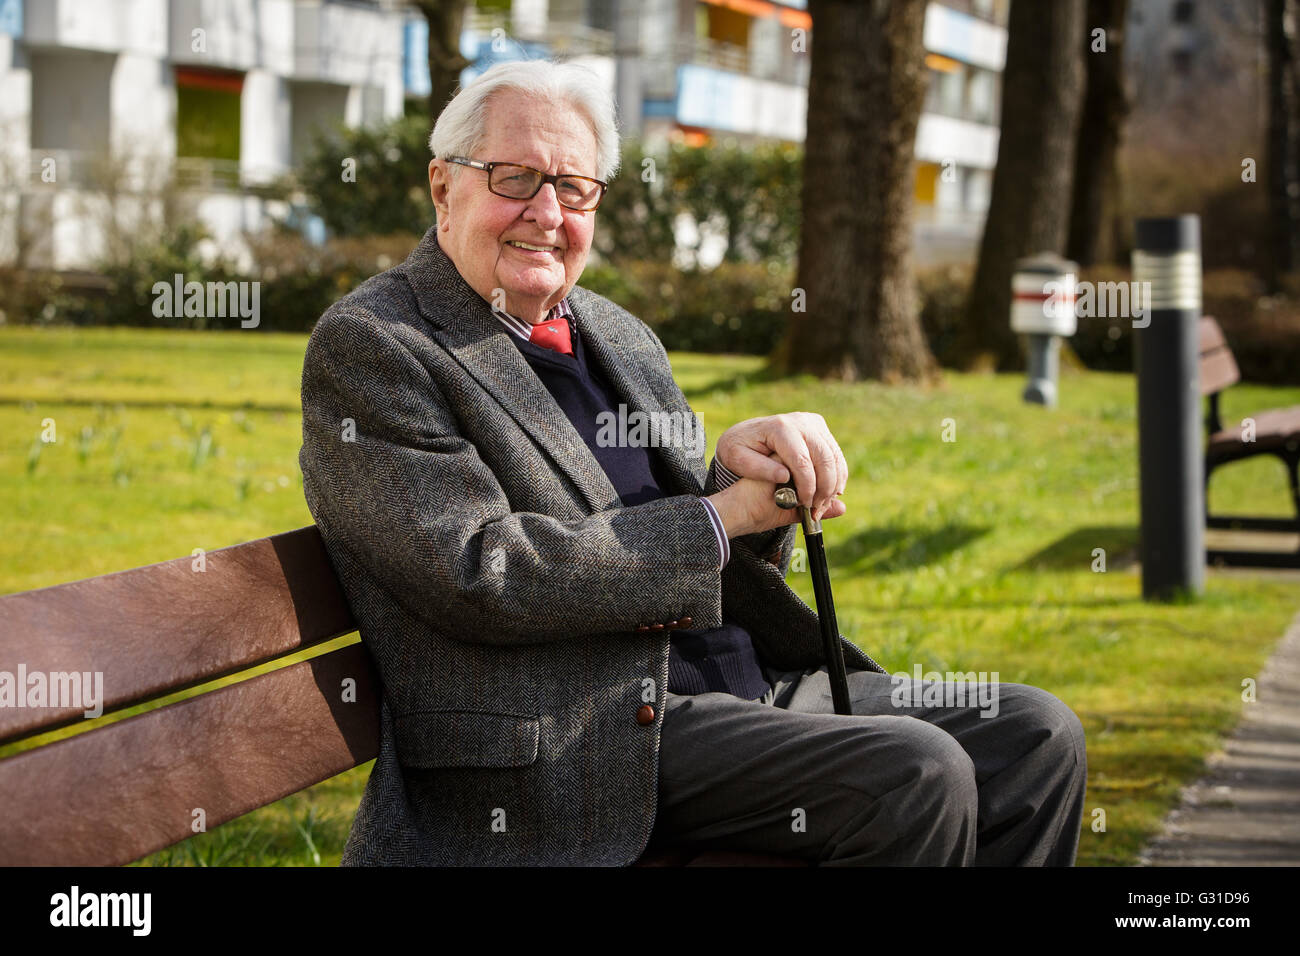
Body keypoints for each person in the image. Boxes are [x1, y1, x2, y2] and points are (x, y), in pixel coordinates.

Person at [297, 58, 1087, 867]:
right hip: (580, 739)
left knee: (1034, 734)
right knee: (915, 776)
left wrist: (745, 485)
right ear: (443, 187)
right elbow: (478, 569)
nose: (546, 212)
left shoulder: (620, 335)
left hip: (742, 685)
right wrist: (718, 517)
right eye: (514, 177)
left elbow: (681, 534)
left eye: (574, 188)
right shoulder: (377, 346)